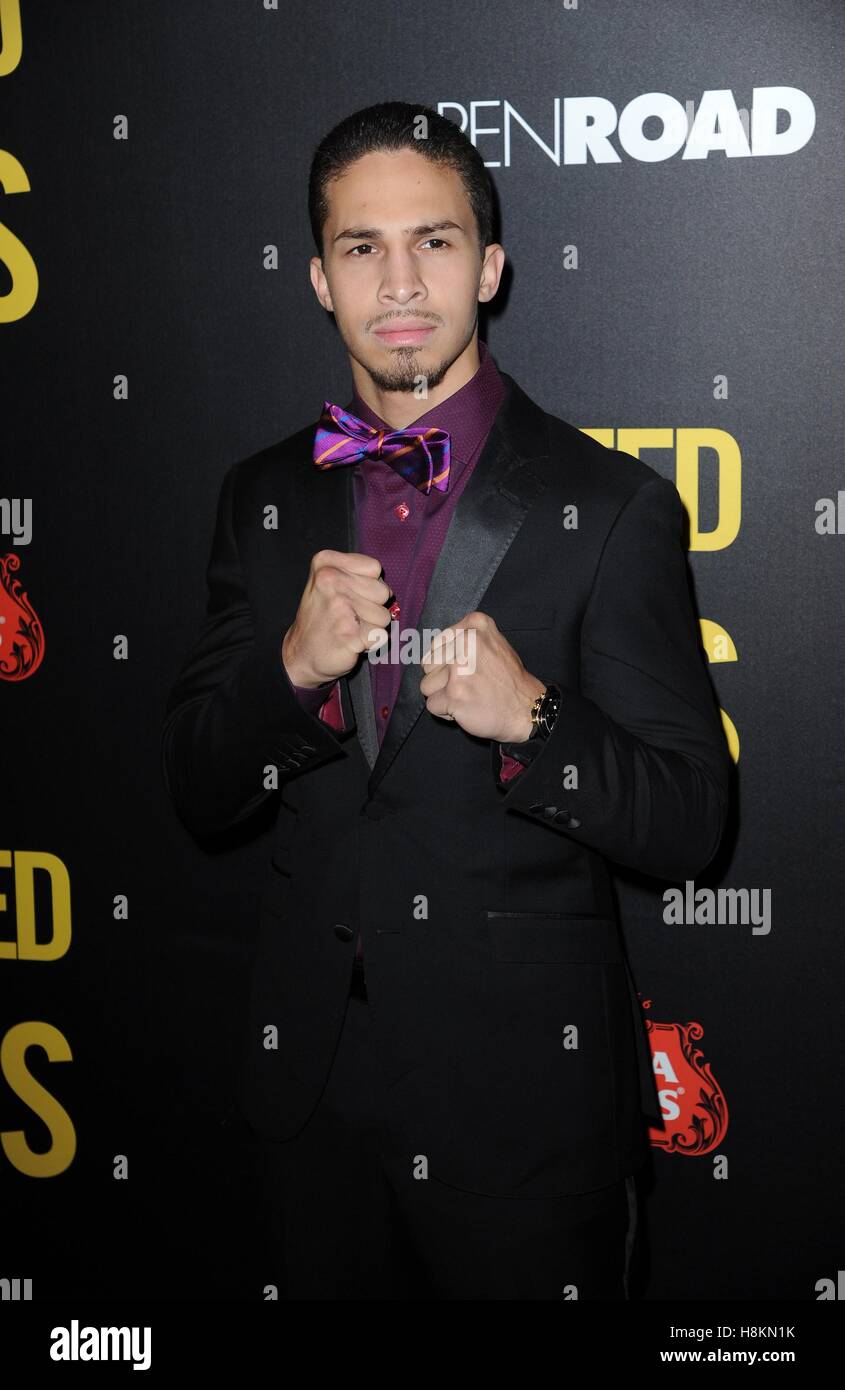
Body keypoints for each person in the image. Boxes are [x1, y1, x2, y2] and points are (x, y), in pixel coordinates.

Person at [161, 101, 730, 1300]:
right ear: (319, 280)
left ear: (489, 266)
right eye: (361, 247)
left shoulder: (608, 503)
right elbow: (201, 789)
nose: (400, 283)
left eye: (433, 240)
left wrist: (536, 722)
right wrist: (292, 673)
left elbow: (688, 820)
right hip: (309, 1104)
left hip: (522, 1112)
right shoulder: (259, 496)